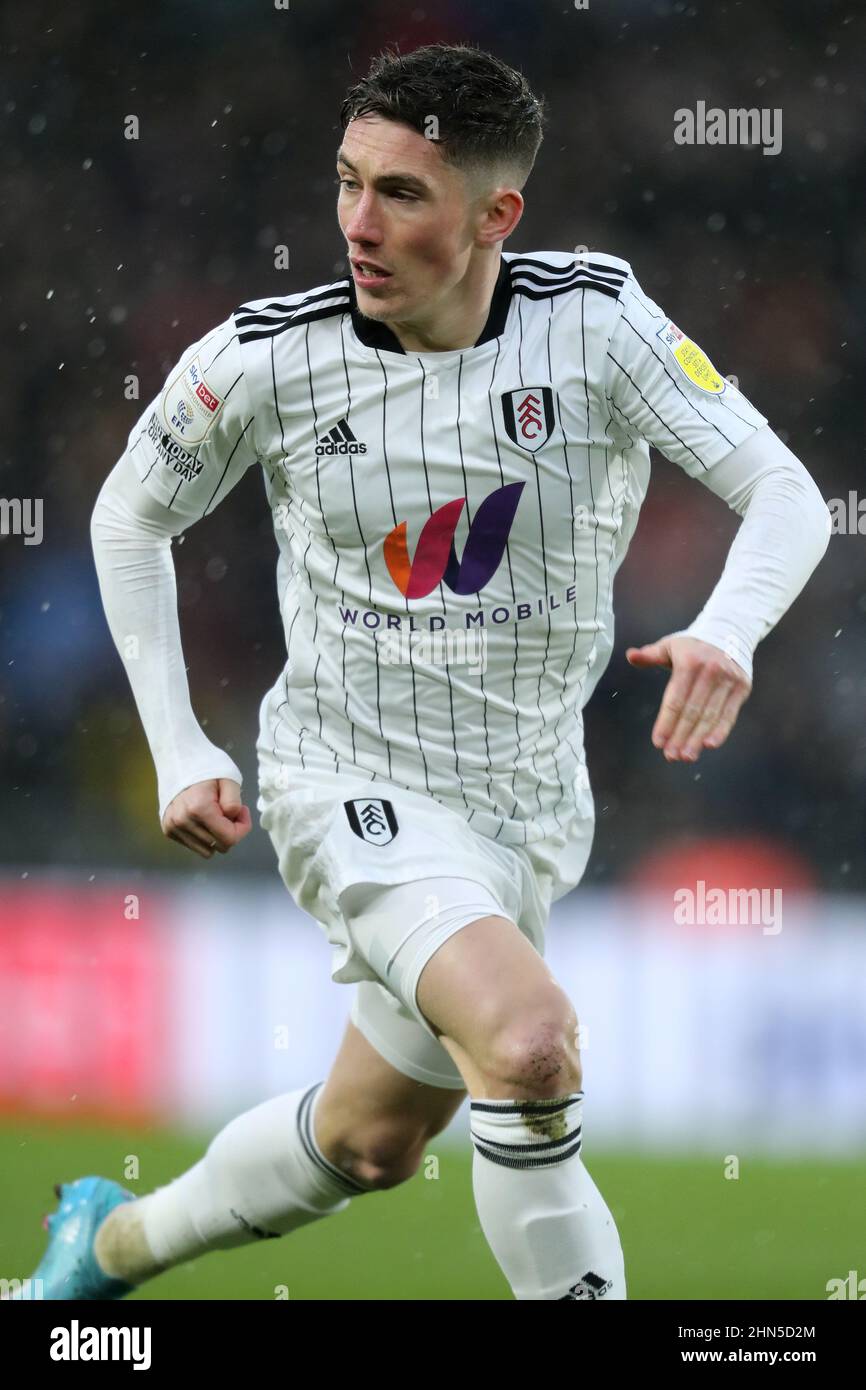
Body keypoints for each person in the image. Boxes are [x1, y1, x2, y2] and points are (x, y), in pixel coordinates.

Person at [26, 42, 831, 1302]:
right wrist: (180, 741)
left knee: (369, 1140)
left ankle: (103, 1248)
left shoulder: (596, 326)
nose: (356, 222)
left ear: (495, 213)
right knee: (527, 1042)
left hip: (526, 805)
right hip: (344, 777)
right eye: (346, 181)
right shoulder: (266, 357)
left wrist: (725, 629)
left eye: (400, 194)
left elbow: (784, 492)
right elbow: (131, 519)